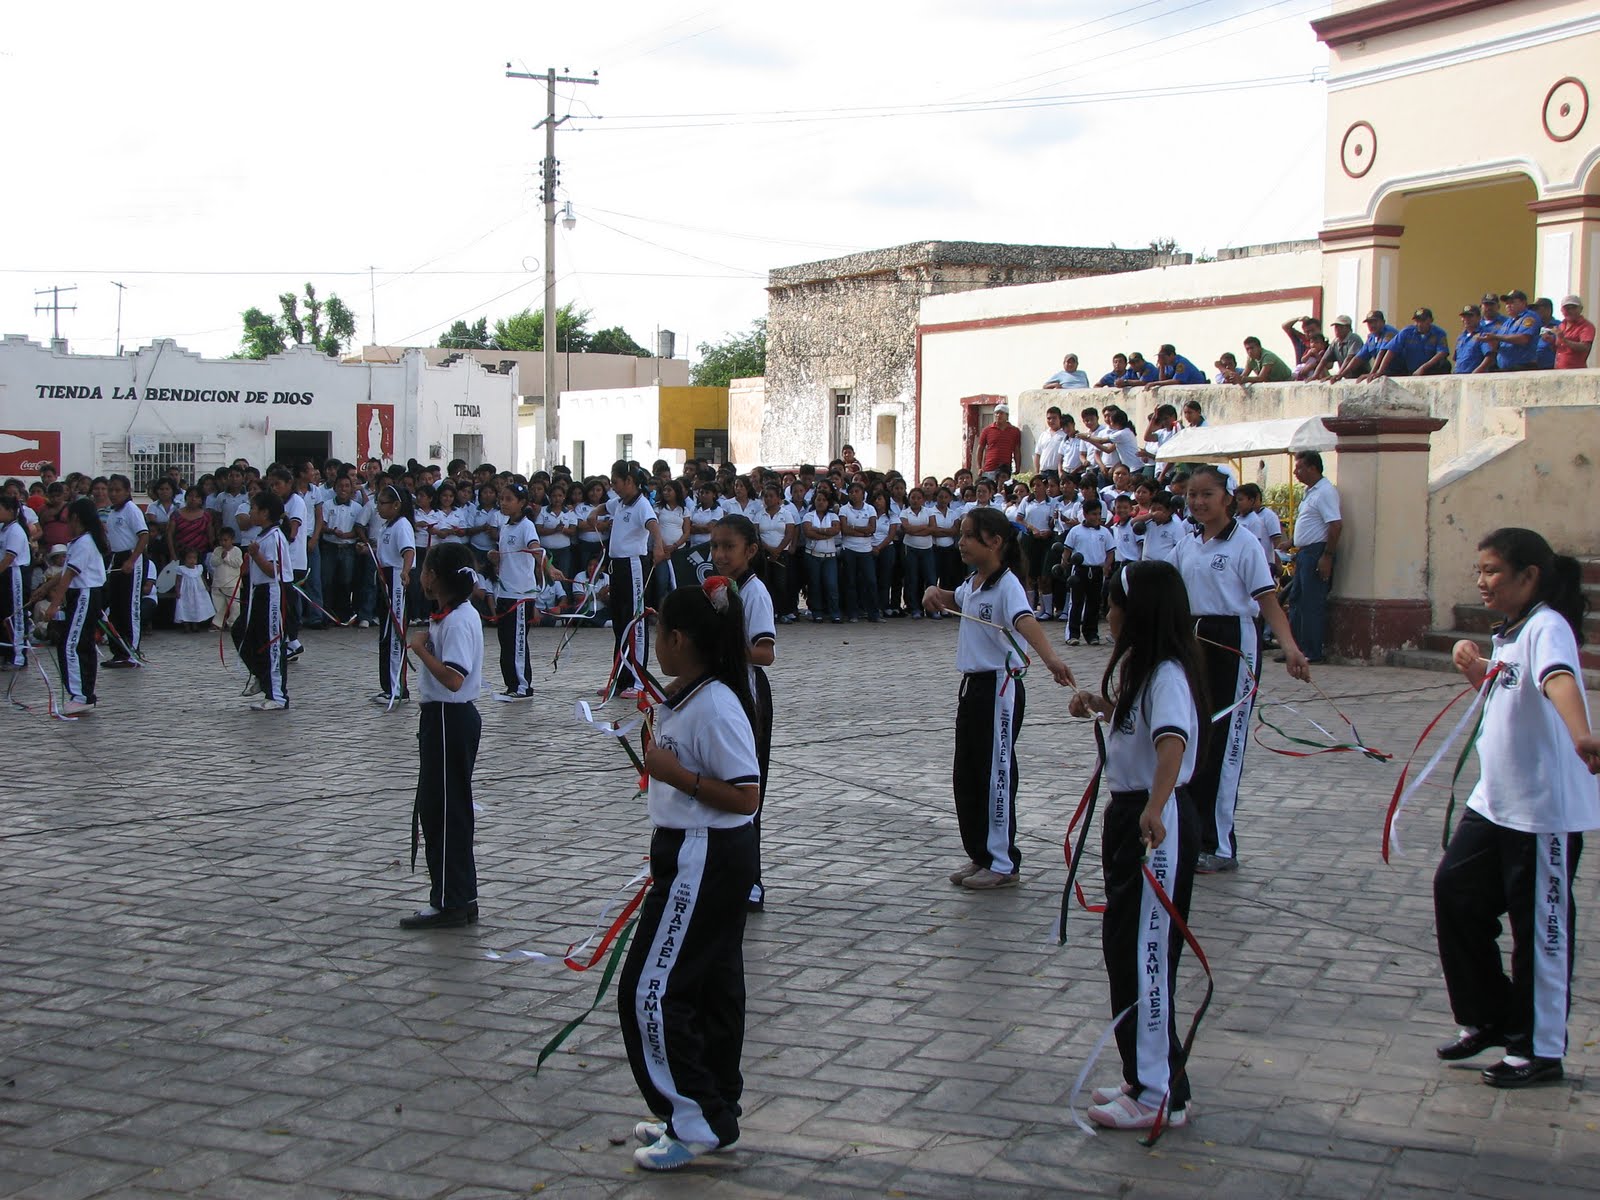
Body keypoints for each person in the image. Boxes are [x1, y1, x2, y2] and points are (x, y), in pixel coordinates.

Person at [1433, 528, 1597, 1088]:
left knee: (1541, 928)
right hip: (1495, 801)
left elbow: (1558, 679)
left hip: (1541, 811)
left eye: (1494, 571)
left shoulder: (1548, 626)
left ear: (1529, 577)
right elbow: (1511, 693)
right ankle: (1489, 1015)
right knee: (1455, 893)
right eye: (1479, 571)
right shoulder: (1511, 629)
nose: (1482, 581)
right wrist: (1477, 669)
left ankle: (1539, 1047)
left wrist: (1582, 736)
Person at [619, 578, 762, 1172]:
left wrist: (676, 776)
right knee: (708, 986)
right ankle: (708, 1105)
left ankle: (694, 1117)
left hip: (704, 857)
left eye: (658, 633)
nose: (654, 643)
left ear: (678, 638)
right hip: (684, 853)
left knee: (649, 990)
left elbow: (747, 794)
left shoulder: (719, 704)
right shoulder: (688, 693)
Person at [1068, 560, 1206, 1130]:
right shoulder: (1144, 671)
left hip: (1156, 822)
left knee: (1145, 956)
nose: (1108, 611)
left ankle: (1157, 1095)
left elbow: (1171, 741)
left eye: (1114, 601)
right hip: (1132, 815)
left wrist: (1153, 806)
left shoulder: (1168, 672)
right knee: (1123, 949)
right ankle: (1145, 1073)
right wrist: (1102, 708)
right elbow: (1146, 731)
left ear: (1139, 610)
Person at [924, 506, 1074, 889]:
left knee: (995, 774)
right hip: (972, 687)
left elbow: (1024, 621)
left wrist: (1052, 660)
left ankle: (1003, 862)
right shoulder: (975, 581)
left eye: (969, 535)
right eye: (961, 535)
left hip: (999, 689)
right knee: (968, 775)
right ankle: (981, 853)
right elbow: (954, 598)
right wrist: (933, 592)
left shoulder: (1007, 585)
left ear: (994, 541)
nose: (962, 543)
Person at [1173, 466, 1309, 874]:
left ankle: (1219, 844)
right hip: (1194, 640)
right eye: (1192, 494)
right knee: (1194, 737)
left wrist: (1290, 647)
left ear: (1227, 498)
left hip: (1232, 641)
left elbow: (1268, 602)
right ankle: (1191, 834)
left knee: (1224, 742)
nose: (1198, 502)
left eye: (1207, 494)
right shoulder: (1187, 544)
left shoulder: (1245, 544)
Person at [399, 542, 485, 930]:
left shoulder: (458, 620)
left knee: (446, 812)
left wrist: (419, 649)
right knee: (438, 808)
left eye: (424, 569)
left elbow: (453, 678)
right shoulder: (446, 616)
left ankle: (451, 900)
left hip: (451, 718)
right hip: (439, 719)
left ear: (433, 576)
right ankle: (456, 895)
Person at [711, 517, 776, 913]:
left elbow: (765, 652)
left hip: (748, 702)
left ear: (750, 550)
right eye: (714, 545)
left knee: (746, 791)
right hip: (719, 699)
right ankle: (720, 873)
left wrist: (722, 651)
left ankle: (751, 880)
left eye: (728, 547)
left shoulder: (754, 594)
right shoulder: (717, 590)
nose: (719, 554)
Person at [33, 498, 109, 714]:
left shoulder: (84, 542)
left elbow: (69, 577)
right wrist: (45, 587)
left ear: (76, 518)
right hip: (82, 594)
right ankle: (83, 692)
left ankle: (80, 694)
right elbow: (64, 573)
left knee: (71, 644)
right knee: (80, 643)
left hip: (84, 594)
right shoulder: (80, 541)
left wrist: (53, 606)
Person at [606, 463, 667, 700]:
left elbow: (653, 525)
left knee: (635, 622)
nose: (613, 486)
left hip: (633, 566)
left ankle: (639, 682)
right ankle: (620, 679)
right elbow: (605, 506)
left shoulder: (642, 504)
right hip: (617, 567)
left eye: (616, 482)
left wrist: (659, 547)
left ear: (629, 481)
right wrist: (595, 513)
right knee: (620, 623)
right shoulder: (620, 502)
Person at [235, 491, 293, 712]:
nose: (250, 512)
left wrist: (256, 557)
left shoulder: (276, 537)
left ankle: (277, 695)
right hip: (259, 592)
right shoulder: (262, 536)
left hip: (274, 593)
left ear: (265, 512)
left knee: (273, 641)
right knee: (243, 633)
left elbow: (274, 571)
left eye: (253, 508)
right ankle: (262, 675)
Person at [1283, 451, 1341, 664]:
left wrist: (1327, 555)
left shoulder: (1325, 492)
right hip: (1304, 552)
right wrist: (1291, 541)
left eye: (1299, 468)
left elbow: (1335, 525)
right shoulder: (1311, 492)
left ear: (1313, 468)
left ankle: (1312, 650)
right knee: (1296, 600)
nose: (1295, 472)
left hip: (1317, 552)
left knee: (1311, 602)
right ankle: (1296, 648)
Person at [488, 483, 543, 702]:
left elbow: (535, 548)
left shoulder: (526, 526)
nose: (504, 502)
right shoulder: (506, 526)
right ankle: (511, 684)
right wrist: (495, 557)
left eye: (509, 499)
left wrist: (548, 567)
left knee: (517, 641)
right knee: (506, 641)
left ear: (521, 503)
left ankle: (522, 686)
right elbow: (508, 558)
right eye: (502, 498)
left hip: (521, 594)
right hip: (506, 591)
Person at [371, 485, 416, 707]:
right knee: (385, 634)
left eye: (382, 503)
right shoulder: (386, 526)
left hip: (396, 581)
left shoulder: (402, 525)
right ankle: (388, 685)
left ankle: (398, 688)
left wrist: (406, 572)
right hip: (385, 578)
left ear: (396, 505)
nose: (378, 507)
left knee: (395, 634)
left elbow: (408, 551)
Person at [102, 474, 149, 667]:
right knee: (116, 607)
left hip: (131, 557)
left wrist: (132, 559)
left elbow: (144, 536)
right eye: (110, 490)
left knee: (129, 606)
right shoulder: (112, 512)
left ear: (127, 491)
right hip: (116, 558)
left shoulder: (131, 510)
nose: (113, 494)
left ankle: (131, 651)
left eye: (117, 490)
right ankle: (118, 650)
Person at [1061, 500, 1114, 647]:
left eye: (1098, 514)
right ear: (1085, 514)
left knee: (1094, 602)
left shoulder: (1104, 532)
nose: (1096, 517)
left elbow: (1110, 552)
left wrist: (1106, 566)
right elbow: (1067, 551)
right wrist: (1064, 566)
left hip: (1097, 570)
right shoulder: (1075, 531)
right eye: (1093, 514)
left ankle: (1091, 634)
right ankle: (1072, 634)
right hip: (1080, 569)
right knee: (1076, 602)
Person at [0, 494, 31, 669]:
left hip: (15, 574)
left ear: (11, 511)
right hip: (5, 575)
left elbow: (9, 558)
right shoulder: (3, 528)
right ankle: (6, 652)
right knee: (4, 614)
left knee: (16, 614)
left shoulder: (16, 530)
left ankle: (18, 656)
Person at [1476, 290, 1540, 372]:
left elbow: (1524, 339)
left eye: (1512, 302)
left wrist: (1496, 337)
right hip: (1505, 368)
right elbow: (1498, 345)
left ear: (1523, 303)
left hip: (1523, 367)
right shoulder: (1507, 322)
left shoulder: (1529, 317)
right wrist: (1491, 341)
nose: (1508, 306)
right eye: (1507, 303)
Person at [1374, 309, 1451, 376]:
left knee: (1445, 364)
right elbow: (1391, 350)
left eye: (1423, 321)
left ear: (1431, 320)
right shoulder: (1406, 332)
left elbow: (1442, 352)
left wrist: (1423, 368)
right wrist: (1380, 371)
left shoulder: (1439, 333)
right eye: (1417, 321)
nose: (1419, 324)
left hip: (1430, 370)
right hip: (1410, 370)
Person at [172, 547, 216, 632]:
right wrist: (177, 591)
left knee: (196, 606)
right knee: (186, 607)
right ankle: (186, 625)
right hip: (186, 593)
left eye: (194, 558)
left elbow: (202, 578)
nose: (192, 560)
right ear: (184, 559)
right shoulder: (181, 569)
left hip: (197, 592)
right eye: (189, 558)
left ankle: (195, 624)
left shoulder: (198, 568)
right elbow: (178, 581)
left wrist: (206, 586)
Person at [973, 404, 1023, 477]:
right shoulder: (987, 430)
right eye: (996, 413)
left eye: (1001, 413)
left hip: (1005, 469)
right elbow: (980, 449)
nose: (998, 415)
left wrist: (1018, 467)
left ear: (1007, 416)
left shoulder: (1014, 431)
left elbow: (1017, 450)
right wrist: (979, 467)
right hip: (989, 469)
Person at [1550, 295, 1594, 369]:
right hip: (1559, 370)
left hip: (1575, 371)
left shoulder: (1586, 326)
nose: (1570, 311)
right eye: (1566, 308)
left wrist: (1564, 340)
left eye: (1573, 308)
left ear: (1581, 309)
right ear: (1561, 310)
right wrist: (1551, 341)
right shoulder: (1561, 325)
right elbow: (1559, 349)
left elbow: (1585, 347)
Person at [1454, 305, 1492, 374]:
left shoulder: (1483, 335)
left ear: (1479, 318)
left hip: (1474, 376)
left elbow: (1489, 357)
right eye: (1464, 317)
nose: (1466, 319)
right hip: (1459, 375)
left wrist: (1476, 372)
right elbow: (1457, 359)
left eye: (1470, 316)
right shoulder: (1461, 337)